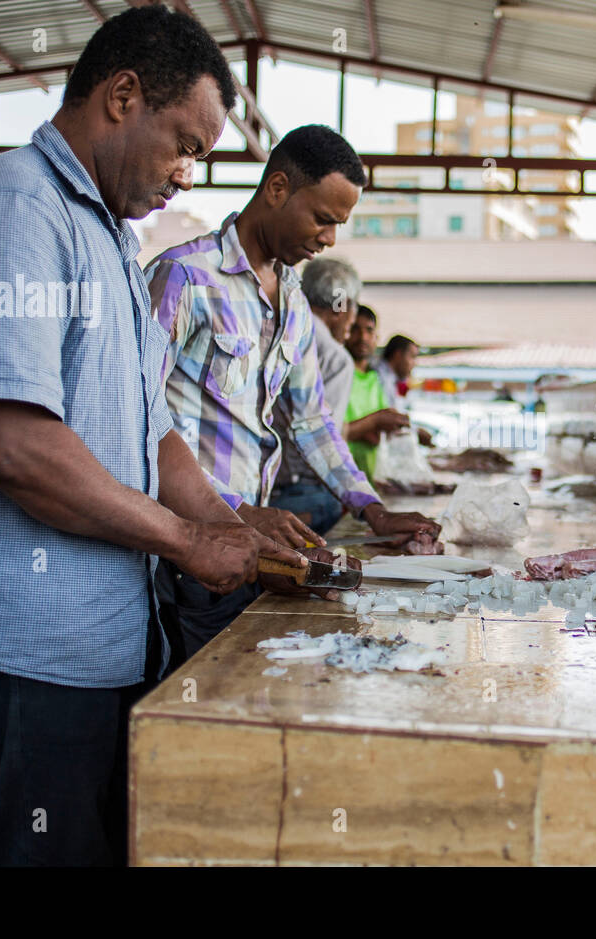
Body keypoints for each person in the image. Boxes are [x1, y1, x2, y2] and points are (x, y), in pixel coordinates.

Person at [0, 6, 295, 867]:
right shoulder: (13, 214)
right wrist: (185, 540)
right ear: (122, 96)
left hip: (100, 637)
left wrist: (230, 520)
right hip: (25, 642)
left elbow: (155, 433)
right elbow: (10, 445)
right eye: (184, 143)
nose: (187, 173)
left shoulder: (107, 236)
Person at [146, 125, 441, 659]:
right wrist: (232, 510)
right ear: (277, 189)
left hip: (248, 546)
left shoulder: (296, 305)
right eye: (324, 219)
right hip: (186, 546)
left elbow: (311, 423)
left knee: (248, 678)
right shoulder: (184, 279)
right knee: (196, 688)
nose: (329, 239)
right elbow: (135, 422)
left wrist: (372, 510)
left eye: (338, 226)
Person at [268, 254, 361, 535]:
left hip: (263, 488)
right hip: (303, 492)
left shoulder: (279, 329)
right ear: (341, 306)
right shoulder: (336, 358)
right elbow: (321, 434)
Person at [344, 304, 410, 479]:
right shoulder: (337, 375)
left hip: (370, 480)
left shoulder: (374, 378)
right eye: (355, 329)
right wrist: (374, 422)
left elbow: (381, 428)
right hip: (340, 481)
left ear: (376, 338)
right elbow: (328, 434)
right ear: (345, 330)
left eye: (369, 331)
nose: (363, 337)